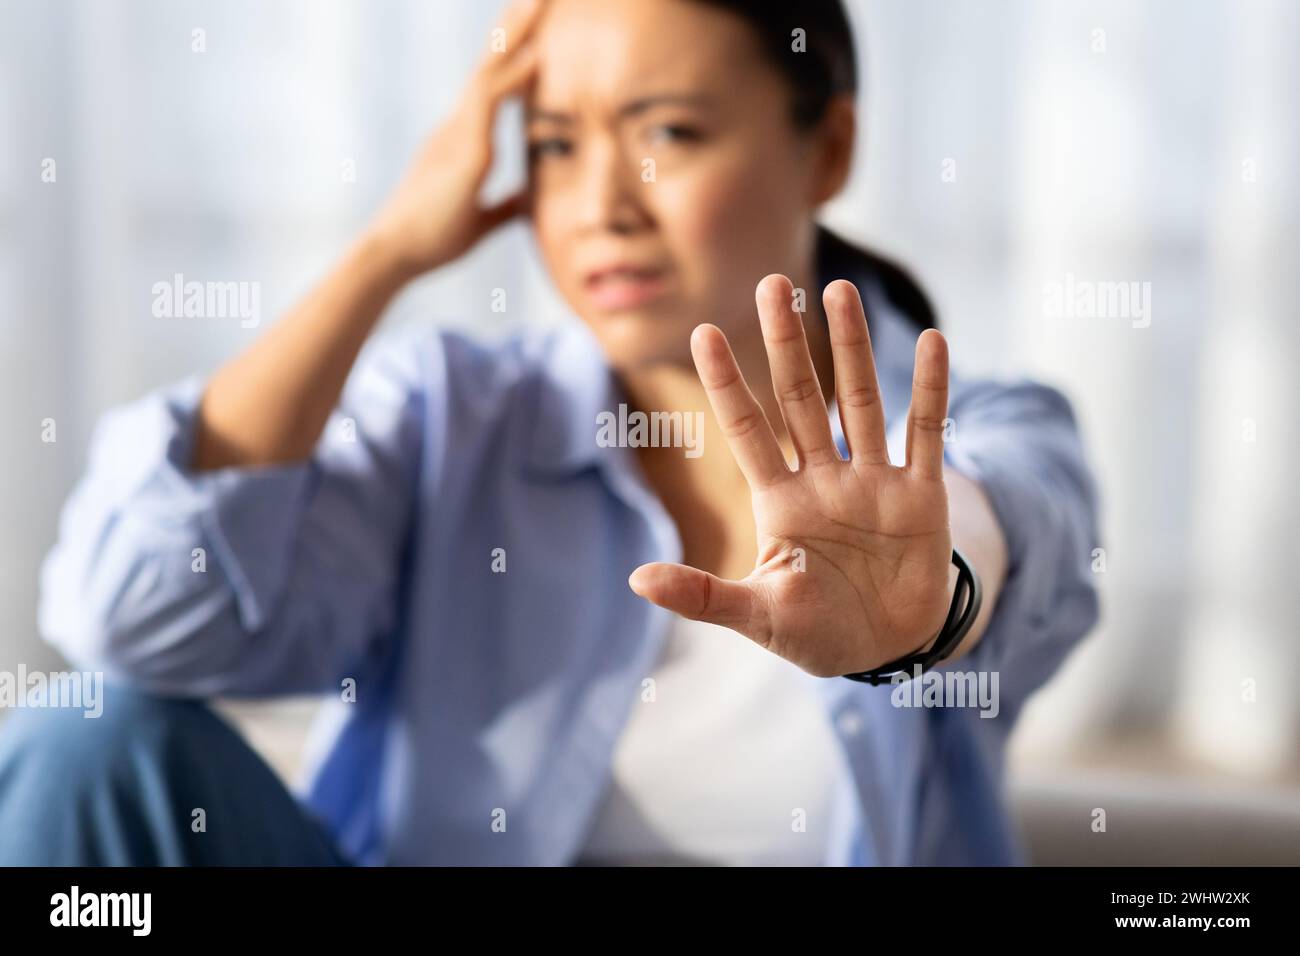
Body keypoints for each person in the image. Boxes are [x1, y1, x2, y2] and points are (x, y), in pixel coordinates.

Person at [0, 0, 1100, 866]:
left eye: (667, 131)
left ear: (825, 149)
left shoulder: (978, 426)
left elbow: (1004, 525)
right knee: (87, 738)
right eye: (556, 145)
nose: (600, 203)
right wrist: (385, 251)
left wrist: (925, 606)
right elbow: (125, 617)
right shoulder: (449, 419)